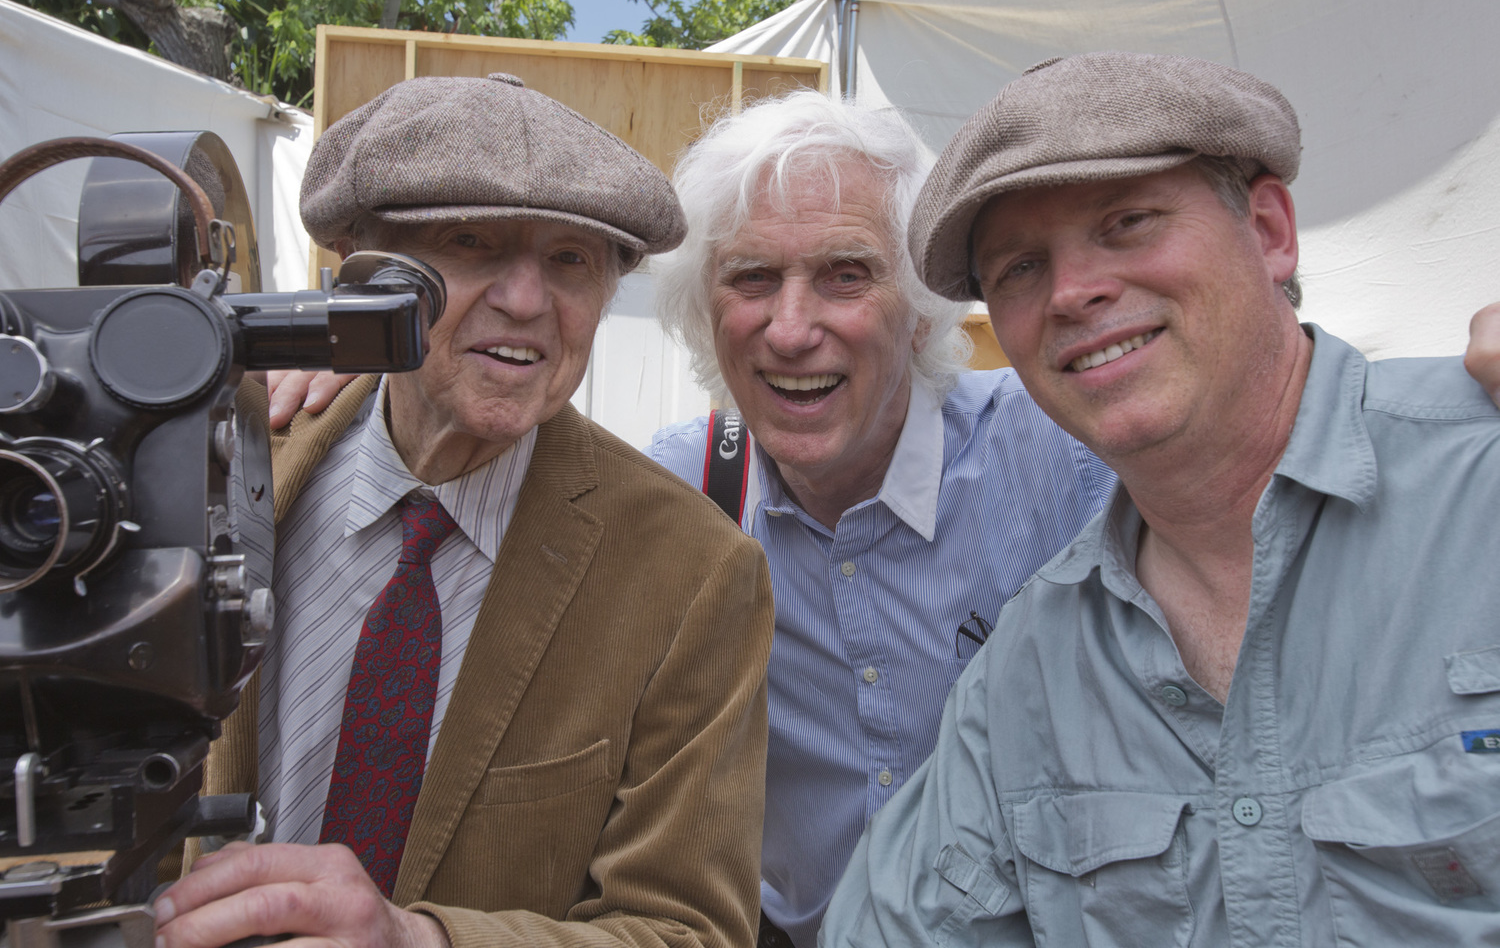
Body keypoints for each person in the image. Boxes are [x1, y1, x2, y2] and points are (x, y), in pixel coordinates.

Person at [820, 51, 1500, 946]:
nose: (1073, 291)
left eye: (1129, 222)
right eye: (1021, 268)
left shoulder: (1479, 482)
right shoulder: (1030, 666)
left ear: (1268, 231)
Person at [156, 72, 776, 948]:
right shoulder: (232, 464)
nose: (525, 302)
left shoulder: (694, 575)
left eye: (570, 259)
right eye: (471, 241)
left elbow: (691, 931)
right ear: (364, 270)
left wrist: (421, 941)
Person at [645, 92, 1115, 948]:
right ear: (704, 312)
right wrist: (350, 402)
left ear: (921, 308)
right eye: (752, 277)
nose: (791, 330)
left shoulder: (1064, 452)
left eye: (846, 274)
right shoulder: (674, 496)